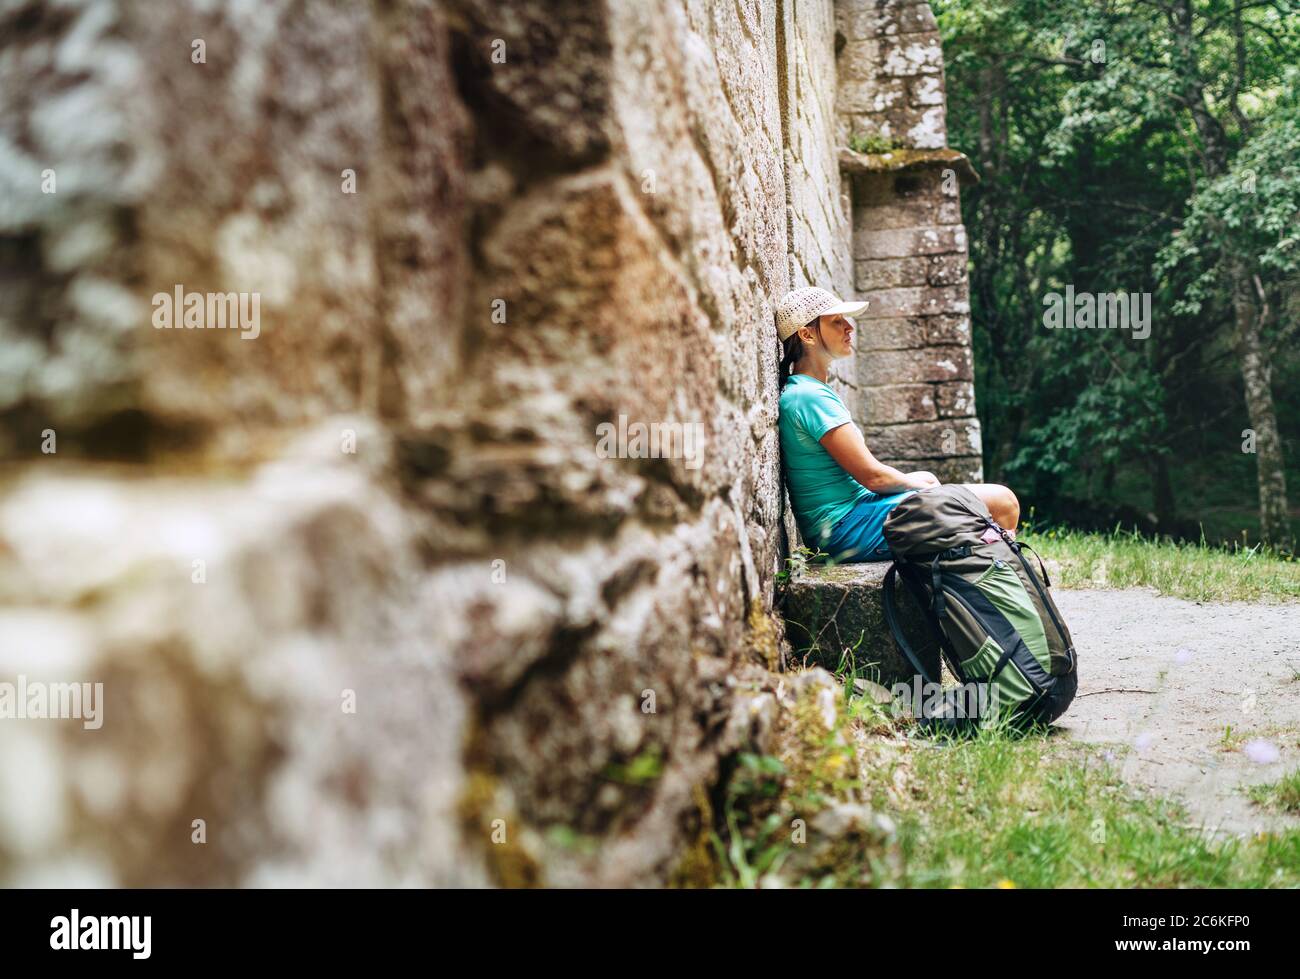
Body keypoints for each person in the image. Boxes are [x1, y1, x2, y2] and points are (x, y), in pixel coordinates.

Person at [776, 286, 1020, 563]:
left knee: (936, 483)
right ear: (807, 335)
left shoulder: (807, 391)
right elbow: (874, 478)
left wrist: (921, 483)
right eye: (837, 322)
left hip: (851, 519)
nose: (849, 328)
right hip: (845, 530)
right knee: (1003, 501)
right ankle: (1002, 590)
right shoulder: (808, 397)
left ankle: (990, 578)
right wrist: (921, 488)